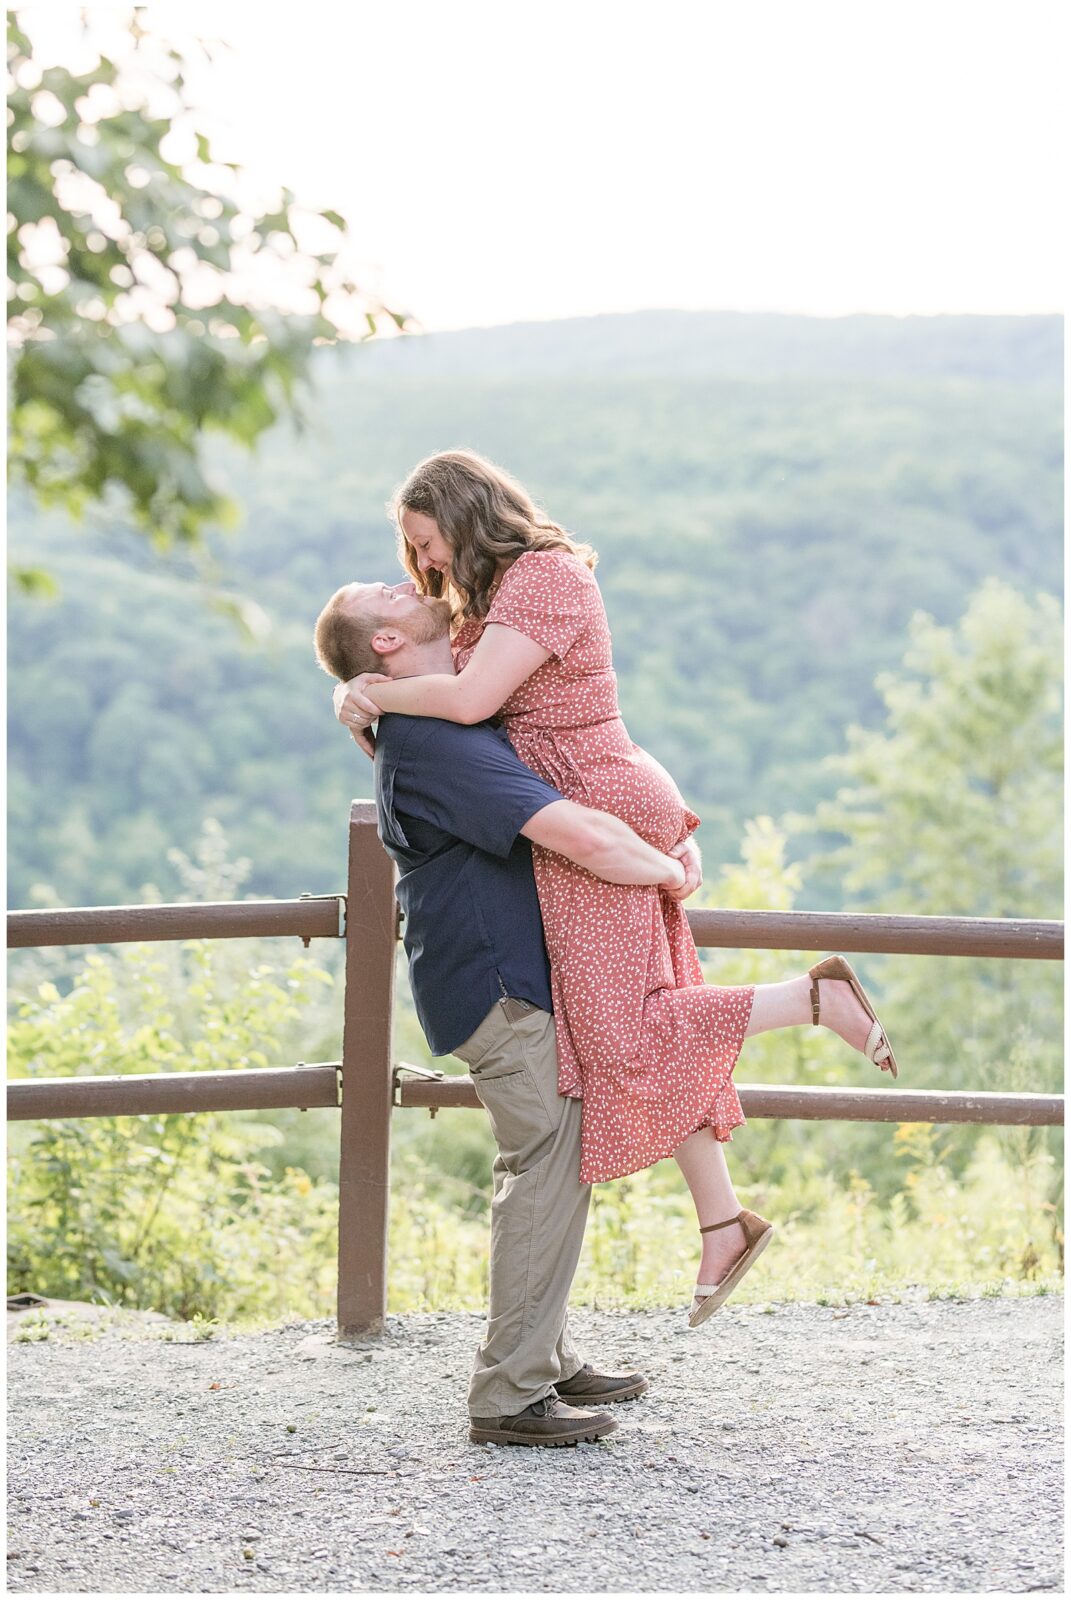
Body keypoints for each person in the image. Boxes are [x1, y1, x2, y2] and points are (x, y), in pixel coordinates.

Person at [333, 450, 898, 1329]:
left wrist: (371, 693)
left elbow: (478, 703)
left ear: (465, 513)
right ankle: (722, 1223)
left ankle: (810, 998)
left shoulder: (542, 579)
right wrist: (362, 700)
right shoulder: (489, 601)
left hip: (590, 810)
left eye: (426, 542)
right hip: (587, 799)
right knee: (637, 1023)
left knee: (621, 1029)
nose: (425, 563)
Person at [315, 578, 696, 1446]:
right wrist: (670, 869)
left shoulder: (427, 722)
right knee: (547, 1165)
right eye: (383, 587)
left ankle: (546, 1355)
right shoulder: (432, 742)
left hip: (497, 979)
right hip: (496, 986)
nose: (404, 578)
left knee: (543, 1164)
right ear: (382, 641)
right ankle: (509, 1395)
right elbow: (581, 836)